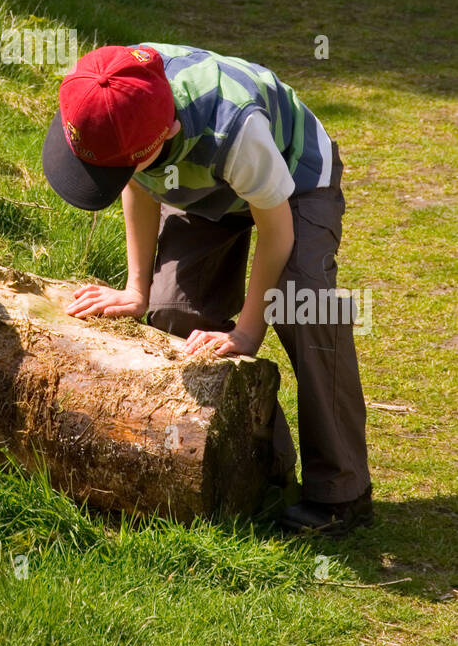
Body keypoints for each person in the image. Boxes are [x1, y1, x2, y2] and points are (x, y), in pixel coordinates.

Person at [41, 42, 372, 536]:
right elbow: (136, 182)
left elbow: (276, 232)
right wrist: (138, 290)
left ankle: (342, 492)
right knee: (173, 317)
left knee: (303, 305)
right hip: (202, 184)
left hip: (293, 177)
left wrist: (247, 332)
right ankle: (266, 464)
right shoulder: (113, 93)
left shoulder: (235, 127)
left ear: (168, 132)